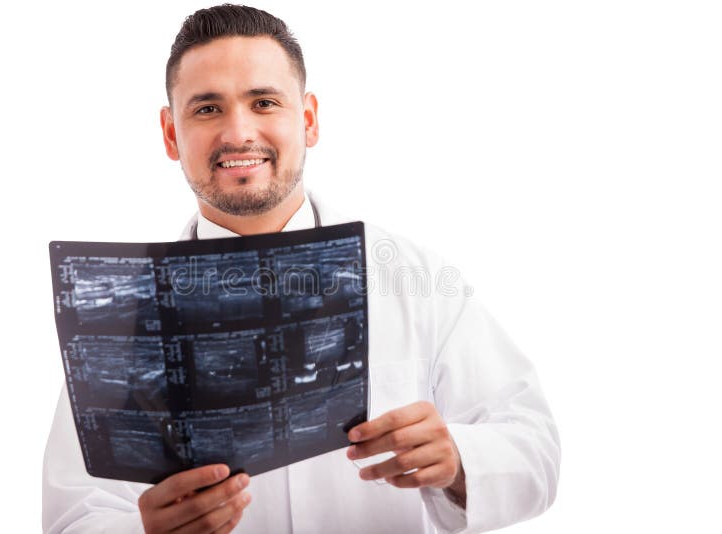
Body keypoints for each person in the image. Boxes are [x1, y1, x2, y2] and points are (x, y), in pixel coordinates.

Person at [42, 5, 560, 533]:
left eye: (264, 102)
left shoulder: (412, 279)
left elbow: (535, 444)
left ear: (308, 119)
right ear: (171, 134)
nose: (238, 133)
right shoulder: (119, 320)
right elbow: (75, 516)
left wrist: (457, 459)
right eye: (206, 109)